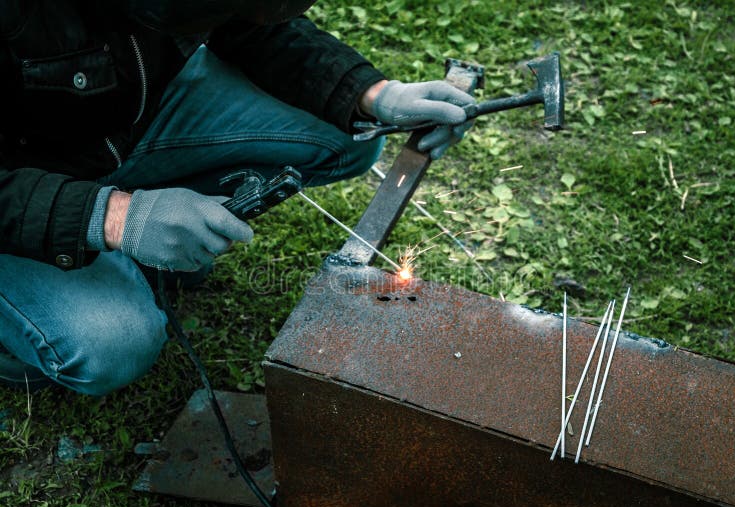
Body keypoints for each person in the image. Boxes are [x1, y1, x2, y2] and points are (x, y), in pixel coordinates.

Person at [0, 0, 475, 395]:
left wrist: (372, 94)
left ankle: (145, 246)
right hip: (18, 184)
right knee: (112, 342)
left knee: (349, 132)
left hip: (127, 117)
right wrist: (113, 217)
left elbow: (246, 24)